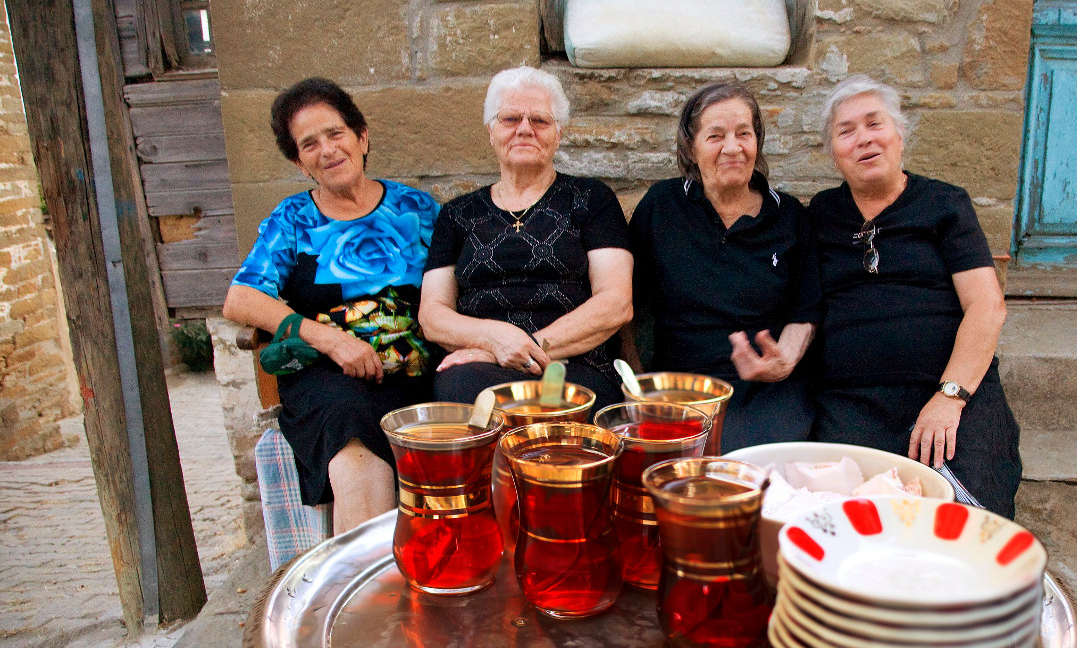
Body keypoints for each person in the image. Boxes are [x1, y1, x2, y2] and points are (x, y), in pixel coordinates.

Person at [223, 77, 440, 534]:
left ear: (361, 137)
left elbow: (453, 284)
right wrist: (328, 339)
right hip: (329, 375)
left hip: (415, 371)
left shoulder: (417, 209)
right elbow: (241, 297)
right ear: (300, 163)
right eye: (309, 144)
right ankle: (364, 591)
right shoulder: (293, 220)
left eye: (335, 133)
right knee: (352, 431)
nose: (326, 150)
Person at [808, 74, 1022, 517]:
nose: (863, 139)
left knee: (961, 513)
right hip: (852, 401)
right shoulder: (821, 215)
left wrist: (950, 396)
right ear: (833, 153)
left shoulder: (945, 205)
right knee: (855, 510)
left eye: (875, 124)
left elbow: (986, 306)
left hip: (946, 386)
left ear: (899, 133)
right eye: (846, 132)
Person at [419, 66, 632, 406]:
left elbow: (615, 303)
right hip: (476, 371)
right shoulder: (457, 214)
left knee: (550, 406)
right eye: (510, 119)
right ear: (491, 130)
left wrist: (522, 348)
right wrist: (494, 341)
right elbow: (433, 315)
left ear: (558, 133)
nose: (524, 130)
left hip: (569, 365)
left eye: (540, 121)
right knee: (463, 391)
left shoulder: (591, 199)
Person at [628, 83, 821, 452]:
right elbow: (625, 307)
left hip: (767, 390)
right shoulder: (662, 206)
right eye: (715, 135)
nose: (732, 148)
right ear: (691, 146)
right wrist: (637, 382)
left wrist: (786, 358)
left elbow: (807, 309)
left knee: (755, 470)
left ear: (757, 142)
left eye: (743, 134)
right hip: (681, 388)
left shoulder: (789, 216)